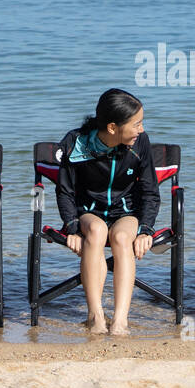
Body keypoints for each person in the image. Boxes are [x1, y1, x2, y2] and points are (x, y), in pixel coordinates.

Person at [56, 89, 161, 336]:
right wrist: (71, 227)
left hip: (126, 212)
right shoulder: (76, 142)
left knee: (123, 237)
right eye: (136, 124)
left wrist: (146, 230)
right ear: (113, 127)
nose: (141, 130)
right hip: (89, 212)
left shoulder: (140, 143)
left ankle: (120, 320)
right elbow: (65, 191)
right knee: (96, 230)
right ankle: (96, 315)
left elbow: (150, 192)